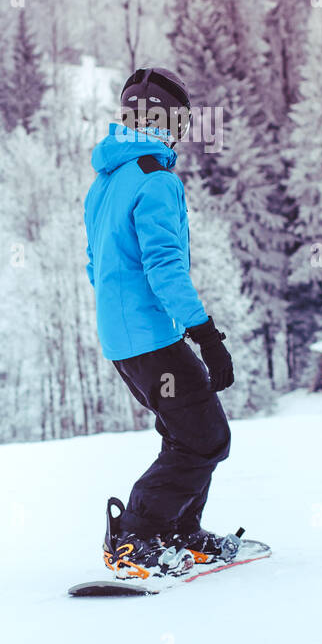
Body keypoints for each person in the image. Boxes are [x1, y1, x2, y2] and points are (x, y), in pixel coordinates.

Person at [83, 66, 268, 583]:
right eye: (180, 123)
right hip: (152, 337)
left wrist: (125, 319)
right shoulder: (155, 180)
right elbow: (164, 268)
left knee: (187, 432)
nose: (181, 133)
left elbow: (95, 265)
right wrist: (206, 335)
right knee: (204, 438)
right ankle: (134, 539)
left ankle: (179, 533)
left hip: (124, 340)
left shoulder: (107, 181)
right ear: (166, 122)